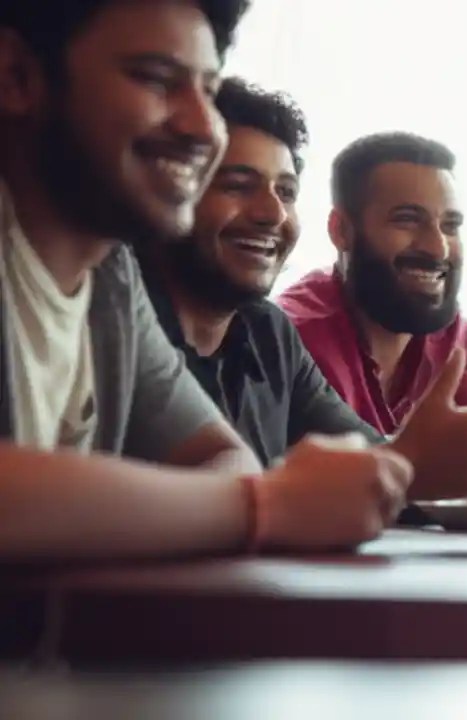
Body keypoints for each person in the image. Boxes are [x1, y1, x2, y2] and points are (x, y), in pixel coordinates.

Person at [0, 0, 410, 560]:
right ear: (16, 75)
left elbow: (224, 456)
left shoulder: (111, 280)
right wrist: (266, 506)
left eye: (209, 93)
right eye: (155, 79)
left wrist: (255, 498)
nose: (201, 128)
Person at [142, 79, 467, 500]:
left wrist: (457, 456)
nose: (272, 213)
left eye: (286, 192)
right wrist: (412, 464)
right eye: (238, 185)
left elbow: (378, 460)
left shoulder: (268, 333)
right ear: (174, 191)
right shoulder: (123, 325)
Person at [277, 134, 467, 435]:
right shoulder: (292, 337)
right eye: (407, 220)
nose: (438, 249)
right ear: (341, 230)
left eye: (450, 226)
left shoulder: (453, 335)